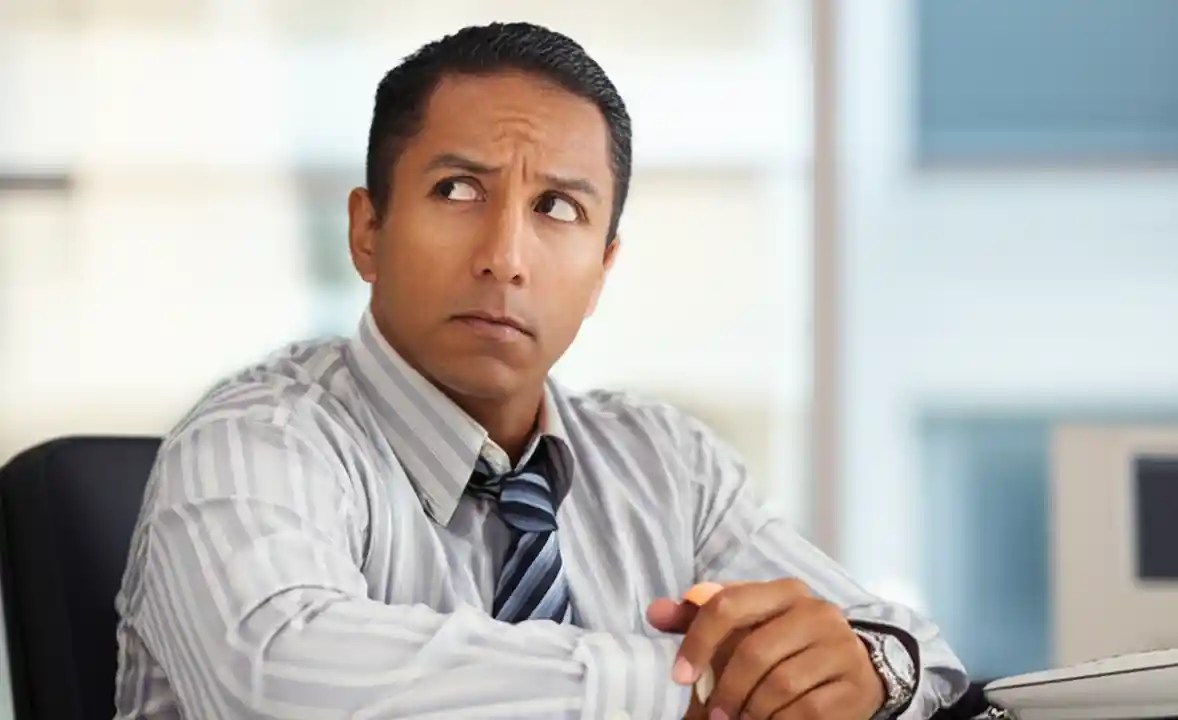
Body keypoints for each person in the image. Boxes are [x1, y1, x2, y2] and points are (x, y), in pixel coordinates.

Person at [113, 22, 968, 720]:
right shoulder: (255, 440)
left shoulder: (663, 461)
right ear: (367, 232)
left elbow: (923, 657)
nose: (505, 257)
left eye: (557, 208)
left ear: (602, 268)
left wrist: (865, 671)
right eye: (456, 191)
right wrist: (676, 685)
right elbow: (276, 677)